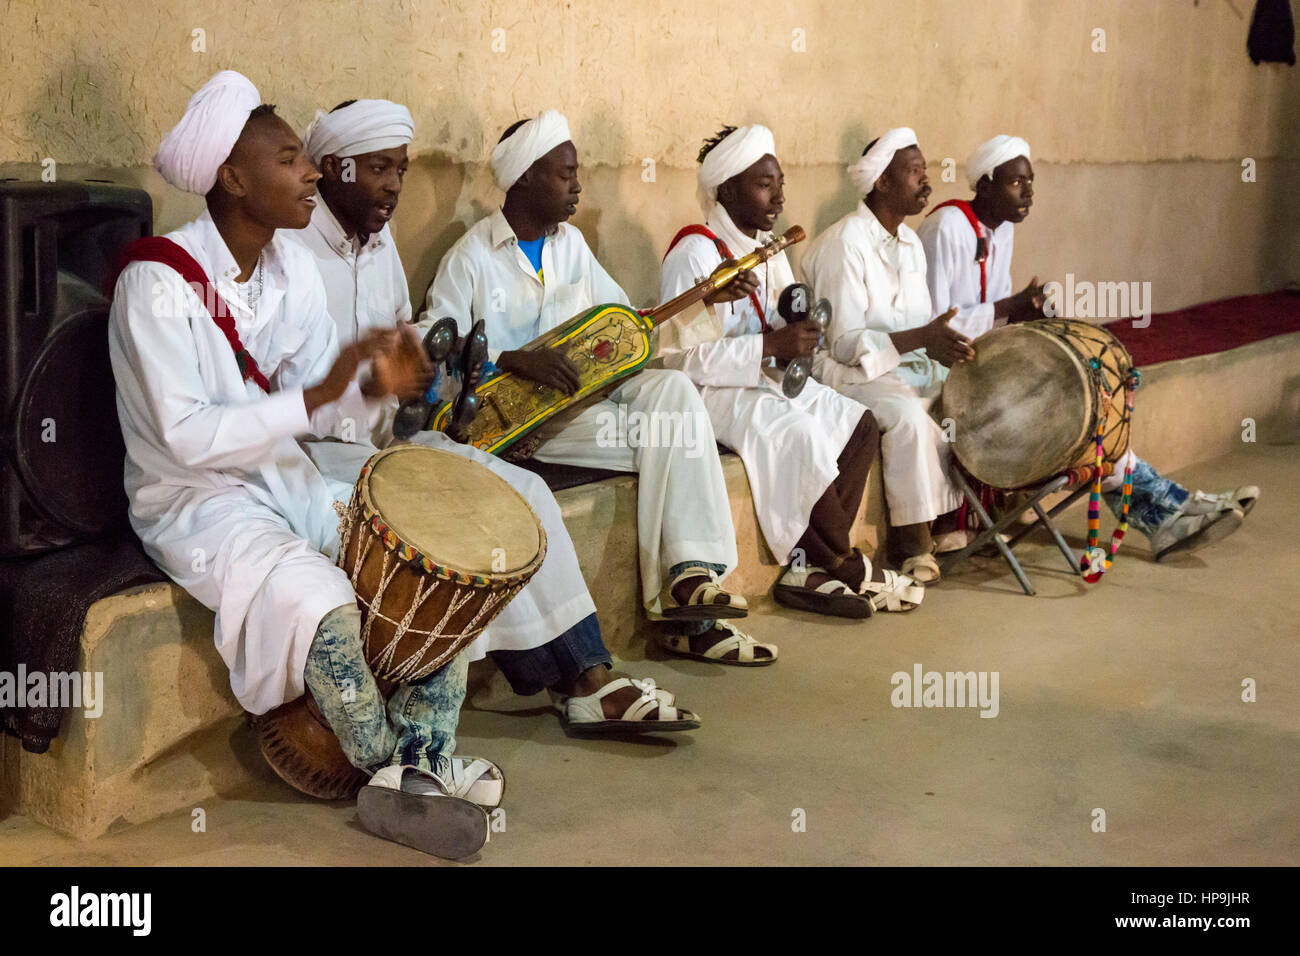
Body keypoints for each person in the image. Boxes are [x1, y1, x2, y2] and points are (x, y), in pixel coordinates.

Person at [109, 71, 495, 859]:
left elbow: (330, 408)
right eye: (289, 159)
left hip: (284, 480)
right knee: (321, 599)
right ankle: (404, 770)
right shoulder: (155, 281)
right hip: (195, 504)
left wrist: (377, 385)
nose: (312, 171)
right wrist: (321, 391)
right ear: (233, 177)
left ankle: (414, 770)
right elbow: (186, 438)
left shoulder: (289, 273)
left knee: (428, 568)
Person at [291, 97, 700, 727]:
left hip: (391, 442)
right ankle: (577, 678)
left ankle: (586, 673)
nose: (395, 186)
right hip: (319, 454)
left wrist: (435, 375)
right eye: (379, 169)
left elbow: (419, 344)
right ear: (333, 168)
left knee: (524, 491)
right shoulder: (293, 255)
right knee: (463, 500)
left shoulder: (378, 250)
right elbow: (300, 387)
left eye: (400, 169)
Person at [421, 110, 769, 665]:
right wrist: (512, 359)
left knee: (673, 397)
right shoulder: (471, 256)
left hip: (584, 408)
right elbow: (431, 340)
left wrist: (704, 299)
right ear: (526, 178)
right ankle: (689, 617)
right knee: (671, 440)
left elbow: (629, 322)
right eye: (565, 173)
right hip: (524, 426)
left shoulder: (572, 248)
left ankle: (690, 576)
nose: (578, 185)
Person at [916, 134, 1258, 561]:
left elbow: (994, 316)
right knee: (1071, 416)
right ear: (984, 184)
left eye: (1031, 182)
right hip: (941, 375)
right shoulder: (945, 227)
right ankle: (1171, 510)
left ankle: (1171, 511)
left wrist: (1030, 314)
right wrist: (1009, 307)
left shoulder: (1000, 232)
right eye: (1016, 182)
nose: (1028, 193)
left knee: (1089, 409)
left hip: (979, 366)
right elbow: (931, 326)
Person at [657, 124, 923, 618]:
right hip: (713, 392)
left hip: (764, 380)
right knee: (800, 435)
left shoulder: (769, 249)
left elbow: (783, 323)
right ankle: (836, 566)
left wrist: (798, 339)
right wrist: (766, 346)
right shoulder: (693, 252)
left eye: (780, 182)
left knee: (858, 425)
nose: (779, 196)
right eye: (765, 184)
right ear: (728, 188)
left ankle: (812, 568)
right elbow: (679, 361)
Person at [800, 128, 970, 584]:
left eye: (925, 171)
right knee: (907, 415)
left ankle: (953, 520)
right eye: (914, 172)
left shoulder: (911, 245)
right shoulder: (843, 243)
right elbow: (843, 341)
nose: (925, 181)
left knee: (967, 397)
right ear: (882, 183)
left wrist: (943, 347)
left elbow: (918, 325)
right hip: (844, 372)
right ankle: (913, 541)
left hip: (899, 364)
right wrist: (919, 341)